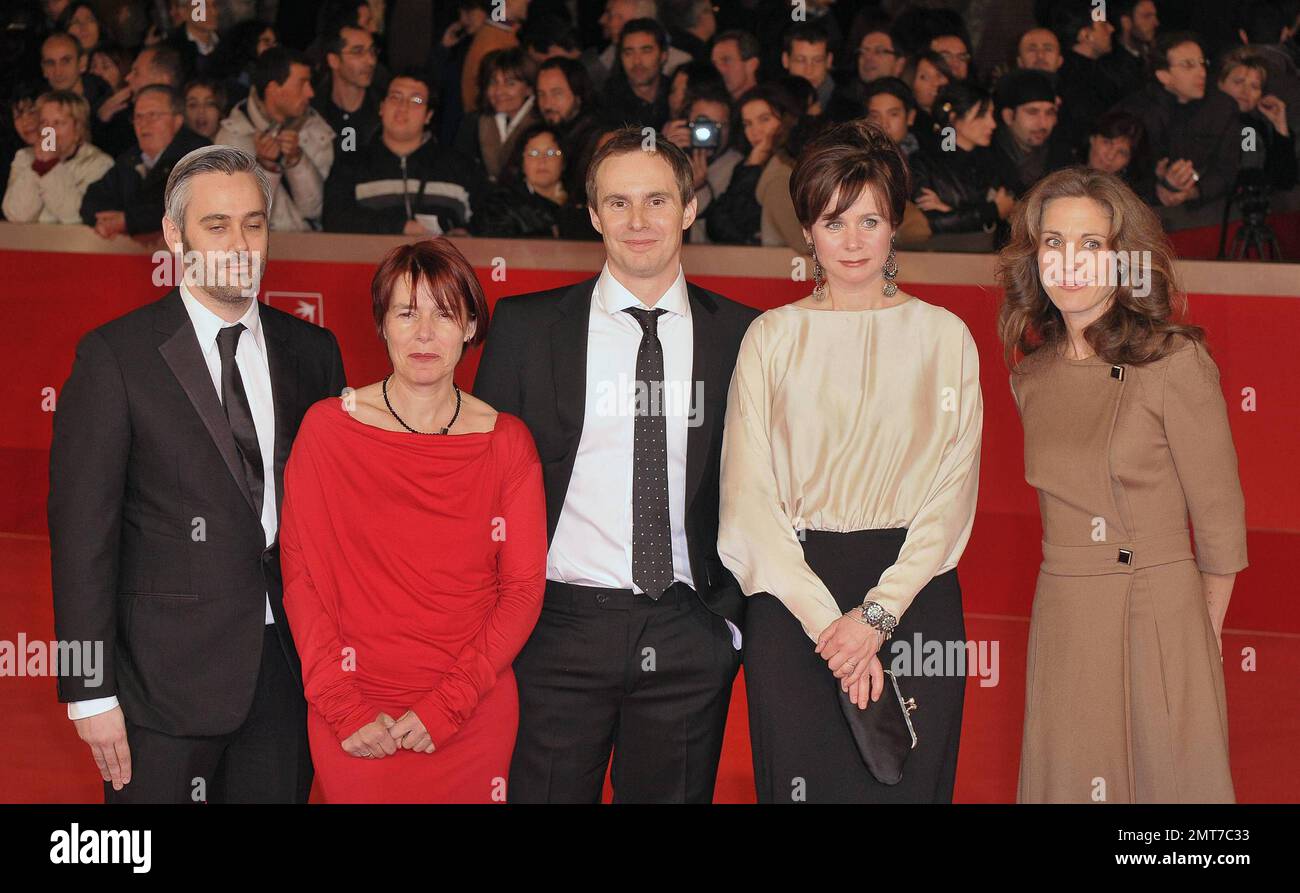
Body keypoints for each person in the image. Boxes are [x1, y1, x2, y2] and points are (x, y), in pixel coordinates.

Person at [50, 144, 348, 803]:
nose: (240, 243)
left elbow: (335, 521)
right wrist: (86, 688)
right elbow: (80, 539)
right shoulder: (114, 357)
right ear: (174, 234)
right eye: (217, 225)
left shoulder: (313, 353)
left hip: (284, 677)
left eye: (254, 222)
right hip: (156, 687)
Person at [473, 128, 757, 803]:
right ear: (594, 214)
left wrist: (729, 626)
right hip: (558, 631)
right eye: (619, 203)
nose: (638, 222)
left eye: (657, 201)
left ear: (689, 208)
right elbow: (480, 486)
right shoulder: (526, 327)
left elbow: (770, 488)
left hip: (689, 632)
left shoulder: (745, 336)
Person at [718, 119, 981, 803]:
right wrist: (830, 626)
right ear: (807, 230)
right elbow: (748, 502)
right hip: (793, 602)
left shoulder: (943, 337)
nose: (854, 240)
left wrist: (876, 618)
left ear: (896, 224)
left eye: (871, 219)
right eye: (835, 221)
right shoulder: (770, 338)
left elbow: (952, 495)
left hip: (914, 596)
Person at [996, 166, 1246, 803]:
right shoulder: (1032, 375)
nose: (1070, 263)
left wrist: (1200, 634)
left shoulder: (1173, 359)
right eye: (1053, 243)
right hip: (1065, 609)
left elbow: (1218, 520)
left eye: (1091, 245)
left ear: (1123, 258)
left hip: (1159, 609)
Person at [280, 238, 546, 802]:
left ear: (471, 326)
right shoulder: (328, 429)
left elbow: (522, 592)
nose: (425, 333)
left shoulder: (507, 443)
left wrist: (449, 704)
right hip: (353, 713)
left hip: (473, 711)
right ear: (382, 324)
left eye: (445, 314)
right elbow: (301, 576)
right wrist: (341, 706)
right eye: (406, 312)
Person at [323, 71, 484, 235]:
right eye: (395, 97)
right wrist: (399, 227)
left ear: (428, 116)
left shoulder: (460, 166)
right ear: (381, 108)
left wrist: (467, 232)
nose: (403, 107)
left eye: (416, 100)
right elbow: (335, 218)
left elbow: (489, 216)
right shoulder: (351, 165)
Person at [1113, 32, 1242, 211]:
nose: (1202, 73)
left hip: (1205, 209)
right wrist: (1157, 186)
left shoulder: (1222, 107)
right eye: (1189, 65)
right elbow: (1113, 170)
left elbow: (1228, 167)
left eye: (1202, 63)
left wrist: (1192, 192)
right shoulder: (1133, 112)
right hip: (1144, 210)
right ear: (1163, 75)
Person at [216, 46, 334, 231]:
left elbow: (316, 210)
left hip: (311, 247)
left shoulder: (317, 130)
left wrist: (297, 161)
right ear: (273, 89)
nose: (310, 92)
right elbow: (237, 215)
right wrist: (266, 168)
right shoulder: (231, 139)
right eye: (302, 84)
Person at [81, 84, 209, 238]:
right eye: (138, 117)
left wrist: (129, 221)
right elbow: (93, 199)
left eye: (153, 115)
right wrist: (106, 221)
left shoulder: (199, 156)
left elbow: (185, 208)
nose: (144, 123)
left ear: (177, 121)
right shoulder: (131, 158)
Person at [908, 82, 1013, 251]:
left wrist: (949, 210)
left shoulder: (993, 161)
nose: (992, 124)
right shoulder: (923, 163)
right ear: (953, 118)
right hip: (935, 260)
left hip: (986, 259)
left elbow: (1008, 213)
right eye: (982, 115)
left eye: (991, 114)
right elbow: (926, 223)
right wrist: (990, 211)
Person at [706, 83, 804, 247]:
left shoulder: (791, 166)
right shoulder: (748, 164)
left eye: (764, 119)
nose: (755, 131)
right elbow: (717, 226)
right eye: (748, 124)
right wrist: (751, 166)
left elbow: (743, 222)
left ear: (786, 119)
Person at [3, 90, 112, 223]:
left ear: (78, 128)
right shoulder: (24, 157)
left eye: (58, 123)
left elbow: (76, 217)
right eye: (44, 123)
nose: (49, 131)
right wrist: (39, 165)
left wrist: (50, 166)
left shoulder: (100, 164)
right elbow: (17, 215)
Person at [469, 124, 592, 239]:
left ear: (564, 161)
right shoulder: (500, 204)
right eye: (534, 153)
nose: (542, 161)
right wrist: (551, 233)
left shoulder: (583, 200)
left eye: (551, 153)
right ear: (521, 161)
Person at [662, 83, 742, 244]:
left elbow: (731, 234)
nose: (710, 132)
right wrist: (664, 153)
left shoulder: (740, 168)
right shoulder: (670, 158)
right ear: (686, 124)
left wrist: (700, 189)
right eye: (703, 123)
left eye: (721, 125)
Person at [454, 47, 540, 183]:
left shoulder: (541, 123)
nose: (499, 91)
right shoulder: (472, 122)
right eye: (493, 82)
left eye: (510, 83)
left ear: (529, 88)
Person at [314, 19, 381, 156]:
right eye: (358, 52)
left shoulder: (384, 106)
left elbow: (420, 100)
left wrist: (418, 100)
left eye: (372, 51)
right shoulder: (313, 111)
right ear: (334, 60)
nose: (371, 61)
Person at [600, 17, 673, 130]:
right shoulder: (605, 100)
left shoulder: (676, 93)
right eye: (628, 53)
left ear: (663, 55)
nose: (637, 61)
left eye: (646, 51)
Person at [710, 30, 760, 101]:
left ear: (752, 65)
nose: (718, 68)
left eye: (726, 60)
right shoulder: (717, 106)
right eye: (714, 63)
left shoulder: (767, 106)